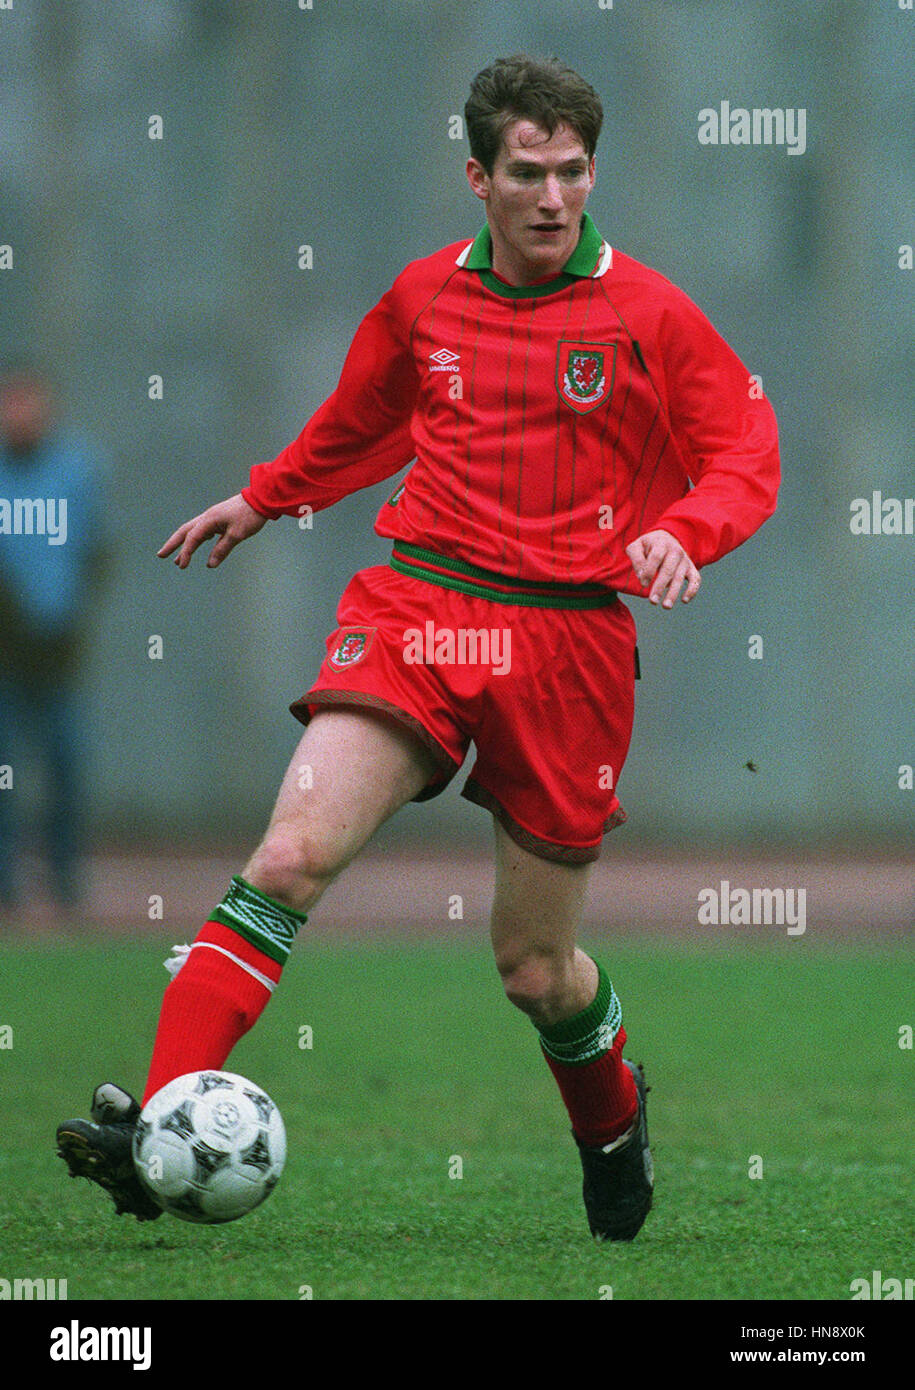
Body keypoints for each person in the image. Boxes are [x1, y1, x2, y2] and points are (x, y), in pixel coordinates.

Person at [57, 55, 779, 1238]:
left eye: (575, 172)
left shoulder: (650, 314)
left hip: (568, 649)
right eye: (528, 174)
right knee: (287, 856)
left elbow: (748, 450)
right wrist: (268, 495)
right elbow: (368, 419)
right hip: (420, 609)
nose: (554, 198)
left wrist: (686, 534)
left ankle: (610, 1117)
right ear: (477, 177)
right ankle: (160, 1126)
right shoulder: (423, 298)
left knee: (537, 972)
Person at [0, 362, 108, 917]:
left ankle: (65, 882)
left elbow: (96, 551)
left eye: (28, 402)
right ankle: (6, 888)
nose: (20, 414)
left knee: (65, 761)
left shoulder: (75, 469)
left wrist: (75, 620)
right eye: (10, 402)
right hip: (4, 653)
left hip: (59, 648)